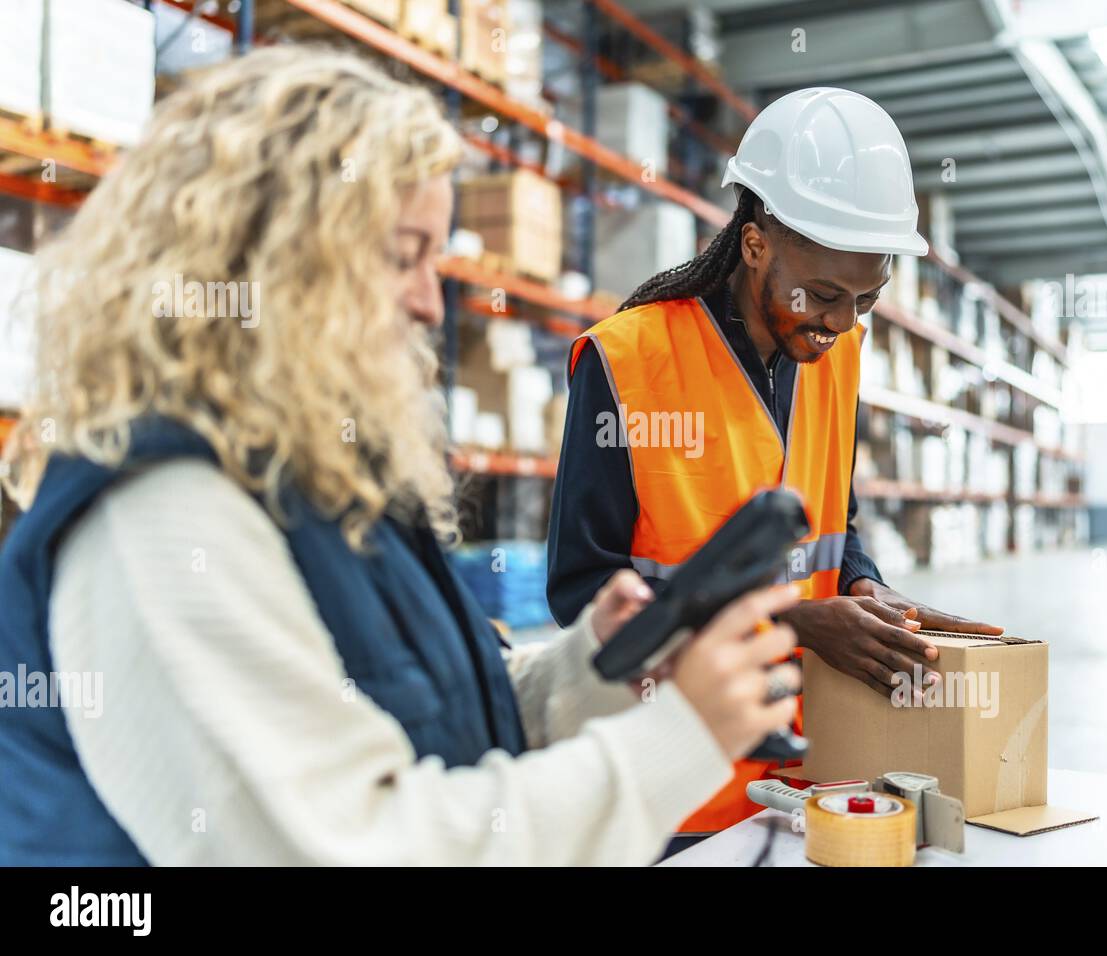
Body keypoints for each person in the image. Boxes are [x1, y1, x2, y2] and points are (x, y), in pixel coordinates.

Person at [0, 47, 803, 866]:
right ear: (275, 261)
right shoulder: (166, 518)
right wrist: (677, 742)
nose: (429, 302)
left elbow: (437, 722)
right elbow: (361, 844)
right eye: (402, 255)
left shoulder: (315, 480)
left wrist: (589, 669)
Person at [547, 87, 1003, 837]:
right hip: (671, 797)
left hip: (808, 780)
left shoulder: (840, 352)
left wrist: (863, 584)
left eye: (867, 298)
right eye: (824, 294)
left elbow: (836, 518)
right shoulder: (628, 362)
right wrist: (793, 623)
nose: (842, 323)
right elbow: (582, 595)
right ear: (755, 242)